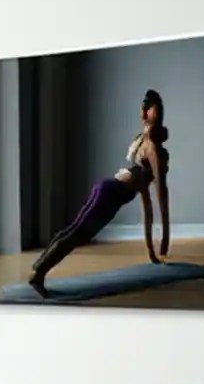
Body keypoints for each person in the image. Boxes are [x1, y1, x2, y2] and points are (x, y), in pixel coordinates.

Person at [28, 89, 171, 297]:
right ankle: (39, 272)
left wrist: (151, 250)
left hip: (106, 188)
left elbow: (149, 206)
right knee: (79, 233)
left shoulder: (145, 147)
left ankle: (39, 268)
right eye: (151, 109)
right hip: (110, 194)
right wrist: (165, 236)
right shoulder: (153, 149)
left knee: (75, 230)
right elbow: (161, 194)